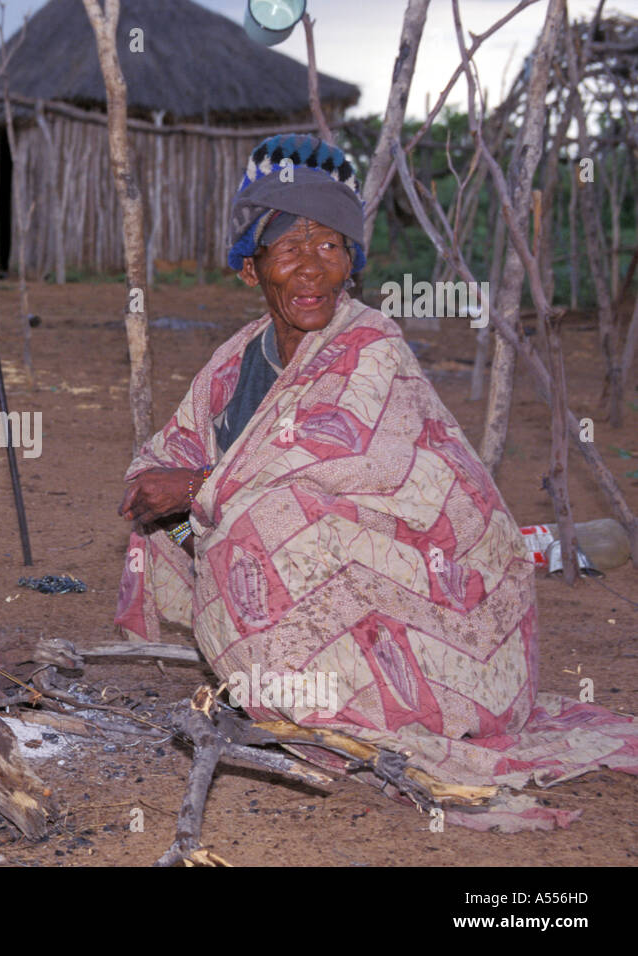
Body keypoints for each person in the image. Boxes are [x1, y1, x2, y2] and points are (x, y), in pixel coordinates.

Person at [115, 135, 637, 831]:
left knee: (264, 524)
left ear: (352, 263)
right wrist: (166, 490)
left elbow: (333, 457)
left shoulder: (372, 344)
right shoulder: (238, 358)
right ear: (251, 269)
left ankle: (350, 705)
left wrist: (200, 490)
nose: (312, 270)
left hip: (441, 591)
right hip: (332, 569)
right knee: (210, 521)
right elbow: (171, 449)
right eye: (290, 248)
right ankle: (291, 684)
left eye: (331, 247)